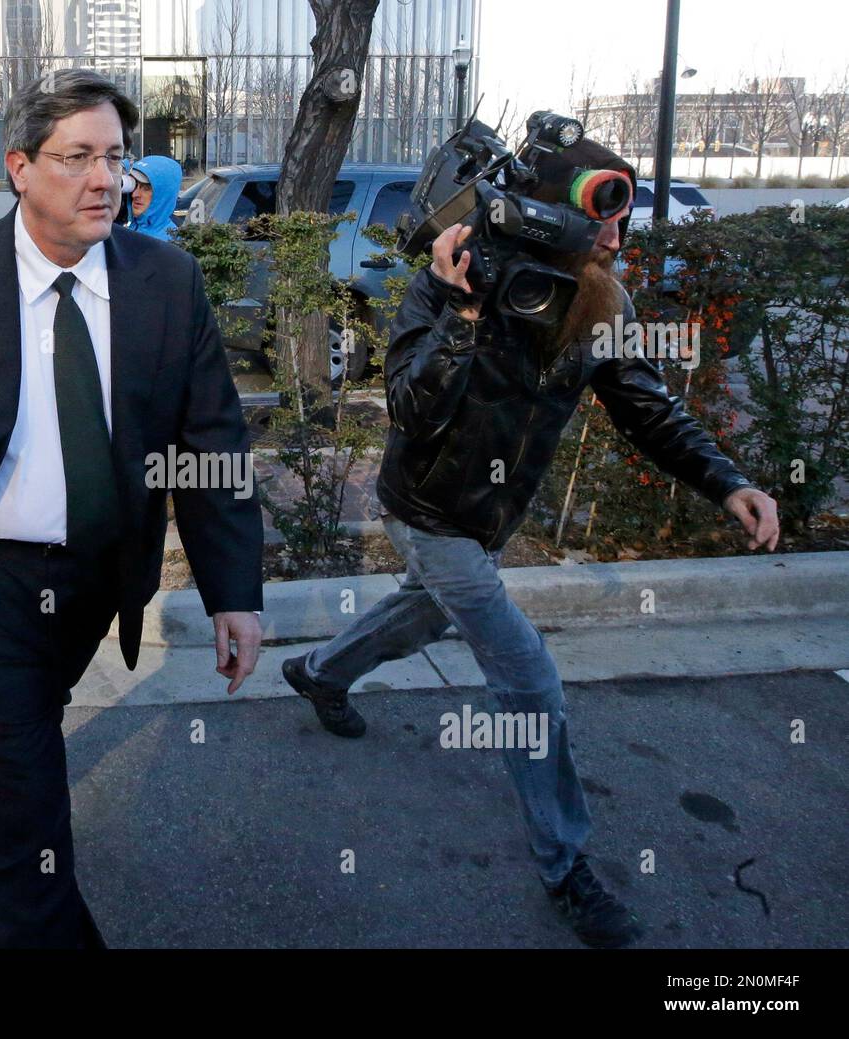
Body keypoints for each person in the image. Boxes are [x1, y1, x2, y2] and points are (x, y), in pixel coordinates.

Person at [282, 136, 780, 949]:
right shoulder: (447, 282)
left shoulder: (601, 301)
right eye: (605, 213)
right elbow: (410, 409)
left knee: (425, 612)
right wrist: (463, 313)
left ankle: (319, 671)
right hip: (429, 507)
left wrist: (729, 482)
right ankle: (566, 865)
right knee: (529, 681)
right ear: (553, 214)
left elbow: (646, 405)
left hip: (487, 518)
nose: (621, 234)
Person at [0, 69, 264, 948]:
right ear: (20, 166)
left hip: (100, 580)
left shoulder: (166, 284)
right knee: (29, 801)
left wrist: (234, 593)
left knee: (12, 762)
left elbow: (211, 444)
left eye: (114, 156)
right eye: (77, 158)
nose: (105, 178)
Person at [126, 154, 183, 240]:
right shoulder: (124, 228)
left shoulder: (174, 243)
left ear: (163, 194)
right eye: (135, 185)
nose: (134, 195)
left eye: (146, 188)